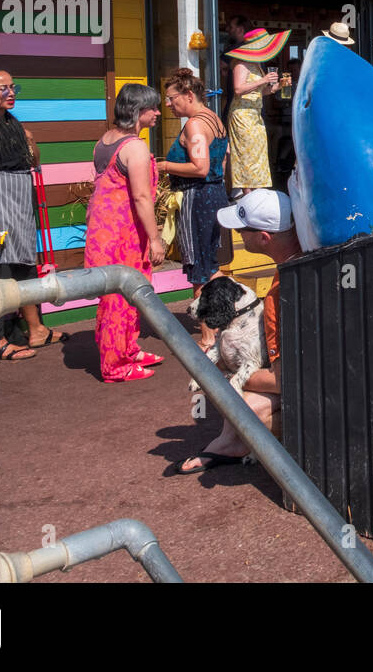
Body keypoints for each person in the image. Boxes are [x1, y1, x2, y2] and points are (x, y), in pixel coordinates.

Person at [178, 188, 302, 474]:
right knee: (243, 399)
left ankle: (259, 443)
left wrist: (223, 381)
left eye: (242, 230)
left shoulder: (276, 294)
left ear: (263, 238)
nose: (238, 236)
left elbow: (286, 382)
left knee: (243, 404)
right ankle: (229, 442)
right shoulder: (302, 259)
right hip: (328, 376)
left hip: (317, 389)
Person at [0, 68, 64, 361]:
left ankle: (36, 329)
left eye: (13, 87)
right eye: (2, 88)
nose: (10, 92)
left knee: (24, 265)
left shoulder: (12, 123)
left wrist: (29, 141)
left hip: (18, 204)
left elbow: (32, 161)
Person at [84, 83, 166, 383]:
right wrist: (155, 239)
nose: (158, 113)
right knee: (118, 298)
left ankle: (128, 348)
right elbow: (142, 197)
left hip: (104, 229)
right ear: (136, 112)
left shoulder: (105, 140)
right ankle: (114, 365)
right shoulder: (135, 147)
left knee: (128, 294)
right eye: (152, 108)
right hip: (122, 232)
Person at [157, 68, 229, 352]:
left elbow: (199, 168)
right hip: (214, 194)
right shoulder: (215, 119)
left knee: (200, 267)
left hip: (198, 197)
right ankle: (223, 322)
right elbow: (220, 164)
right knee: (211, 264)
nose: (168, 105)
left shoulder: (195, 125)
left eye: (171, 98)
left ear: (188, 95)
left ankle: (208, 335)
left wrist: (163, 166)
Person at [226, 28, 287, 193]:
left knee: (257, 156)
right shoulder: (241, 63)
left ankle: (257, 196)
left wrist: (275, 87)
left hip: (254, 114)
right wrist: (264, 80)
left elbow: (259, 91)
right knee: (247, 157)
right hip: (242, 115)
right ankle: (248, 197)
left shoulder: (256, 64)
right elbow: (238, 89)